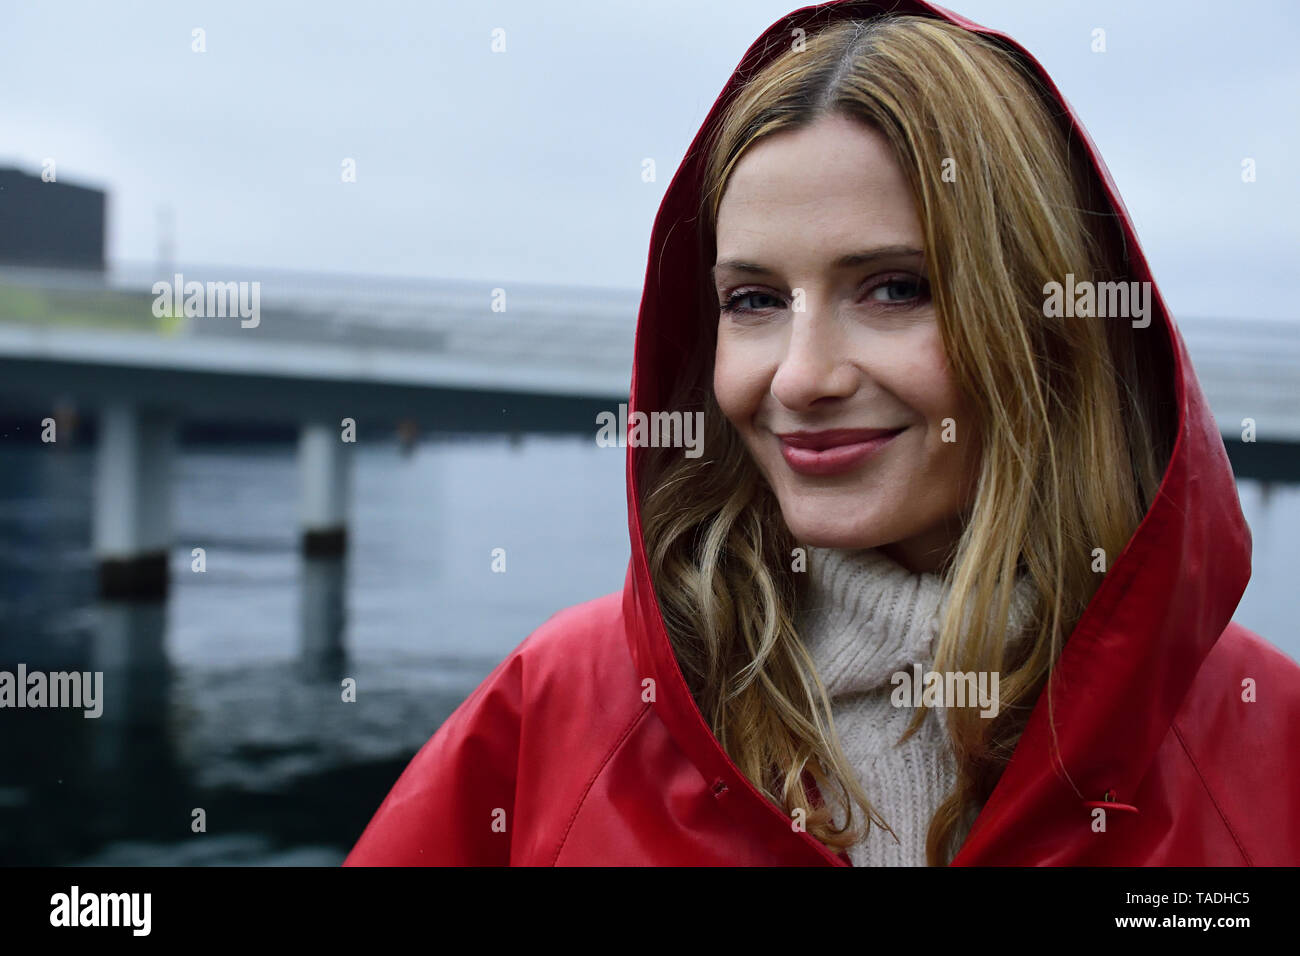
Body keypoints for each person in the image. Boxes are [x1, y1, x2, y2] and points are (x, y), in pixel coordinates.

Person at [343, 0, 1300, 866]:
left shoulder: (1267, 740)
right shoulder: (553, 712)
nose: (801, 376)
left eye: (894, 288)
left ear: (1048, 318)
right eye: (753, 300)